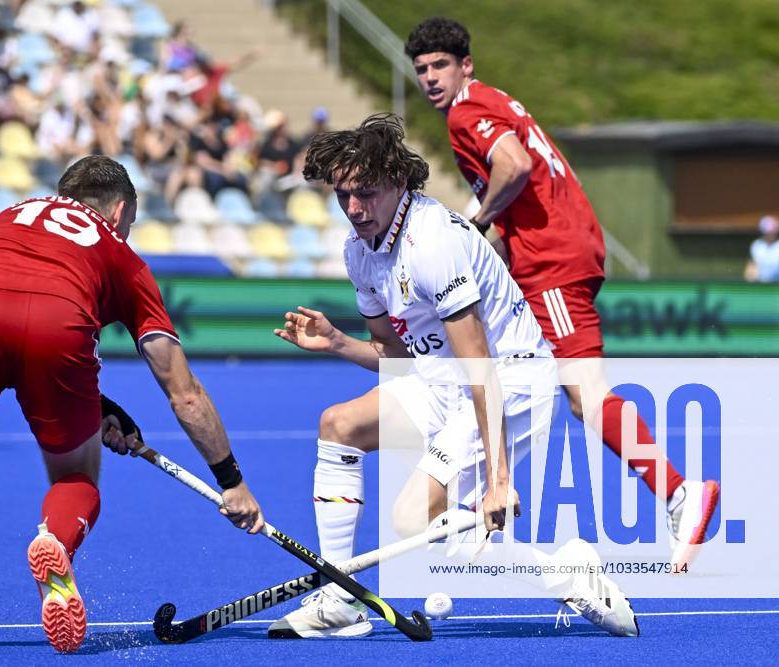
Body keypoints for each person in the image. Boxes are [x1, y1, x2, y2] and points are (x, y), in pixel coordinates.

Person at [0, 156, 265, 655]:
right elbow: (182, 390)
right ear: (120, 211)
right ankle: (54, 541)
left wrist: (95, 404)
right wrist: (232, 482)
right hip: (61, 330)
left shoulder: (8, 215)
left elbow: (9, 317)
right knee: (75, 477)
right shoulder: (121, 255)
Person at [268, 114, 637, 639]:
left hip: (509, 382)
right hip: (445, 382)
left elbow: (479, 365)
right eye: (343, 195)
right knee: (338, 425)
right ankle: (337, 600)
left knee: (413, 519)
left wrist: (498, 482)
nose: (353, 208)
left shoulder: (432, 244)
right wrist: (337, 343)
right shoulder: (360, 251)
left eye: (366, 193)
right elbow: (400, 357)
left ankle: (566, 574)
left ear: (399, 182)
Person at [404, 17, 718, 567]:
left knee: (583, 393)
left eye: (440, 66)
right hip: (559, 249)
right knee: (514, 373)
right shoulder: (495, 101)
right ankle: (485, 495)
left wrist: (471, 224)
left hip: (552, 260)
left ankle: (678, 492)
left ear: (465, 66)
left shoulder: (466, 110)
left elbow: (515, 166)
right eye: (422, 69)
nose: (431, 77)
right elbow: (516, 194)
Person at [744, 214, 779, 282]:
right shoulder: (756, 245)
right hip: (761, 285)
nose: (770, 234)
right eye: (767, 232)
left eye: (772, 232)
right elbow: (751, 267)